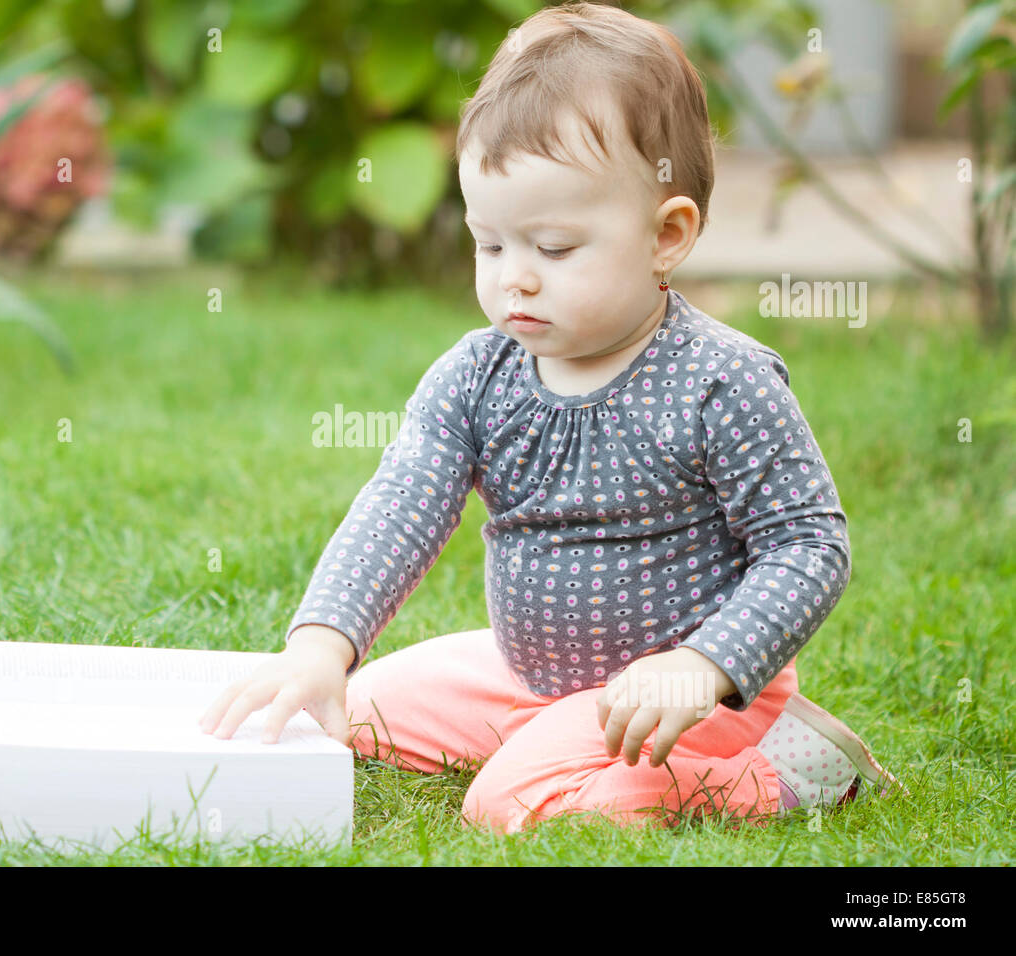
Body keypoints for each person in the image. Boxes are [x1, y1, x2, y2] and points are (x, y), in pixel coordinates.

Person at [199, 1, 904, 831]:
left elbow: (808, 544)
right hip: (529, 676)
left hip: (691, 693)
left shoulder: (721, 380)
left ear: (666, 235)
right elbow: (399, 508)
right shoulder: (478, 374)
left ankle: (787, 773)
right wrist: (320, 646)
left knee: (507, 803)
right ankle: (552, 737)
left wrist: (705, 663)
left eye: (555, 248)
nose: (514, 280)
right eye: (490, 245)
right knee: (349, 712)